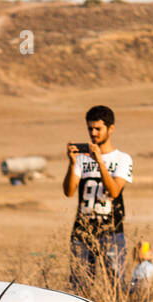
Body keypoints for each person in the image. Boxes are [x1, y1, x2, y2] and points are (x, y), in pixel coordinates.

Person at [63, 105, 133, 289]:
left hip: (111, 230)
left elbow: (114, 191)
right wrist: (72, 164)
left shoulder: (122, 159)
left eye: (98, 129)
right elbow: (69, 191)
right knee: (80, 286)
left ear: (111, 128)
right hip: (82, 230)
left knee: (116, 286)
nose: (93, 133)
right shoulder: (82, 159)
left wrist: (100, 161)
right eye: (90, 129)